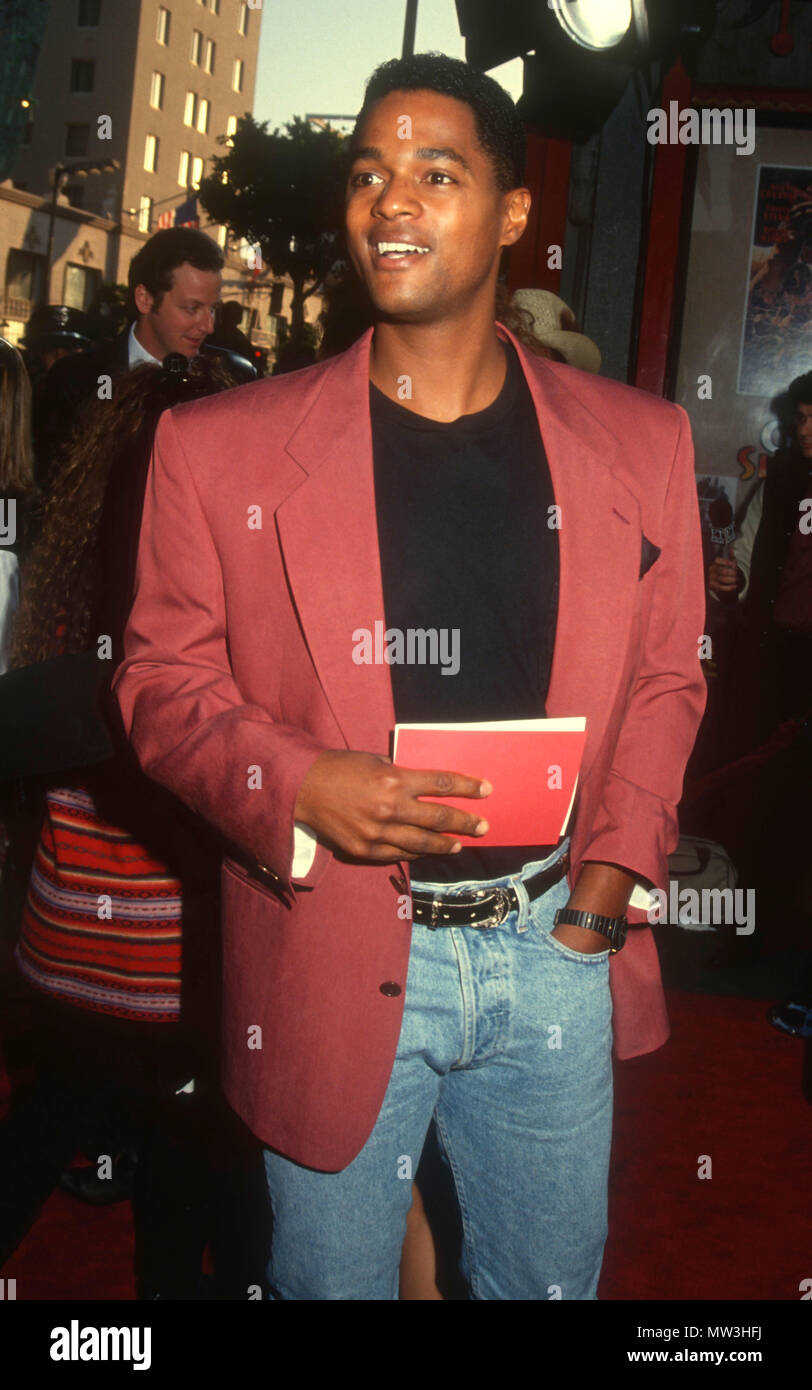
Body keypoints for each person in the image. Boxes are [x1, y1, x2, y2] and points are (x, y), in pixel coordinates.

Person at [114, 53, 706, 1300]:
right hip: (330, 948)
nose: (391, 200)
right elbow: (160, 684)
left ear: (509, 214)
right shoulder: (215, 448)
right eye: (370, 171)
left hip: (557, 938)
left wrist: (616, 868)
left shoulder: (640, 442)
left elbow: (667, 675)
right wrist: (296, 782)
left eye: (436, 173)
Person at [32, 228, 225, 484]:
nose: (207, 326)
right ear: (144, 299)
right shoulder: (75, 380)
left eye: (212, 309)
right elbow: (50, 485)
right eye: (192, 309)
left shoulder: (232, 379)